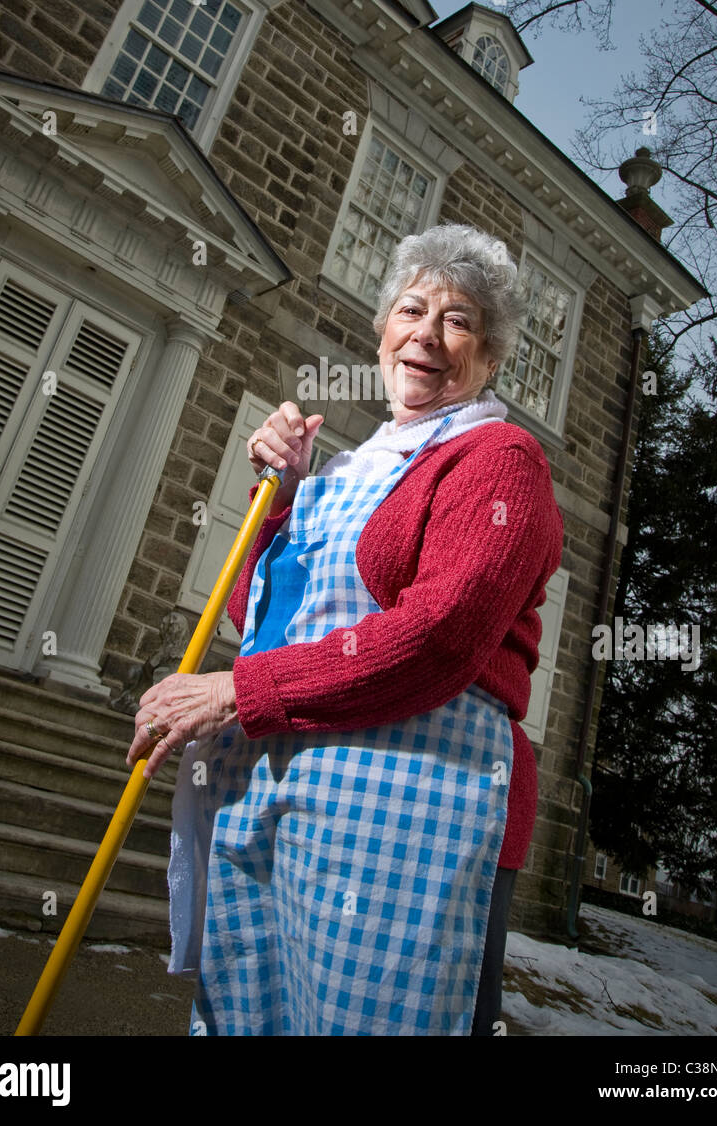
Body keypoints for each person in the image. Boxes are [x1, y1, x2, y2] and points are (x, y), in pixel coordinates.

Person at [127, 222, 563, 1035]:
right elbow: (257, 618)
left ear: (491, 358)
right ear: (381, 332)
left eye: (460, 320)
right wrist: (282, 499)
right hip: (278, 787)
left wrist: (234, 690)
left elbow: (436, 639)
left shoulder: (500, 460)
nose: (428, 334)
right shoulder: (350, 467)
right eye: (411, 309)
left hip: (415, 798)